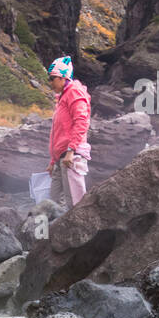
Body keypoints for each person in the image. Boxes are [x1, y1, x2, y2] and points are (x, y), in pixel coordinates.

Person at [46, 55, 91, 211]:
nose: (50, 83)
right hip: (61, 156)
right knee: (51, 201)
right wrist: (52, 162)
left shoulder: (74, 92)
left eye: (52, 78)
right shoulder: (63, 96)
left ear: (63, 77)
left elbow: (82, 121)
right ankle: (50, 232)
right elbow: (58, 130)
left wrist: (71, 151)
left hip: (71, 155)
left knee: (75, 202)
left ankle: (82, 232)